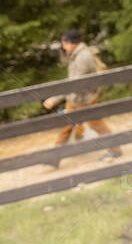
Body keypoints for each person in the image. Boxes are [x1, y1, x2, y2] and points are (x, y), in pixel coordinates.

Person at [43, 29, 123, 164]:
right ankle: (54, 158)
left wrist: (55, 99)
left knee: (97, 125)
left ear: (70, 43)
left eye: (64, 44)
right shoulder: (77, 54)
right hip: (75, 99)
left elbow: (75, 84)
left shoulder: (83, 57)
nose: (64, 47)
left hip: (84, 100)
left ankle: (115, 150)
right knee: (66, 127)